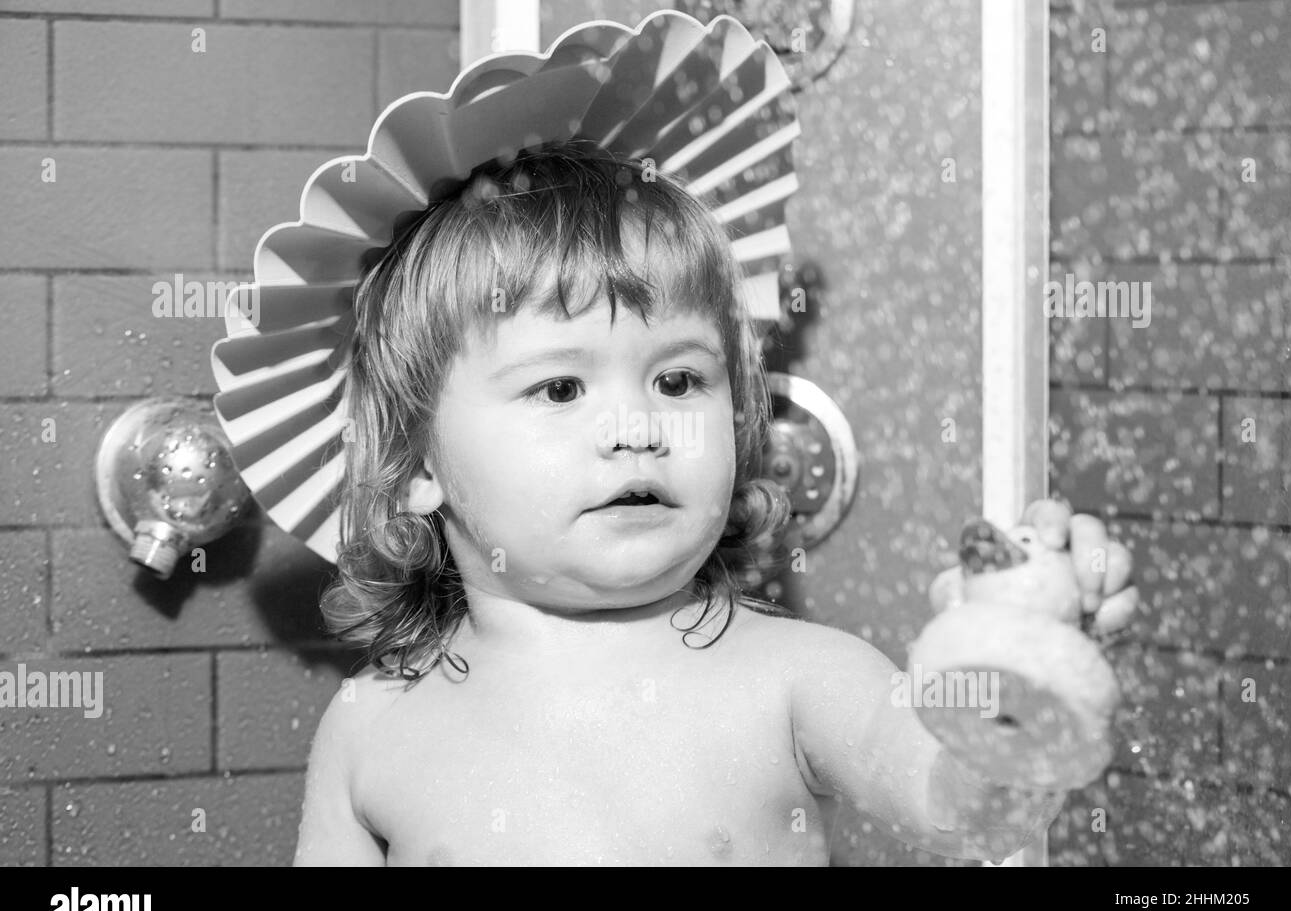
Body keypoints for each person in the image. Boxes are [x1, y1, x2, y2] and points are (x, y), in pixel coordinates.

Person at [292, 141, 1137, 866]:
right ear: (416, 462)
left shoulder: (798, 676)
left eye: (678, 379)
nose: (636, 426)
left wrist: (1023, 673)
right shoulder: (370, 728)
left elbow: (967, 809)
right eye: (559, 386)